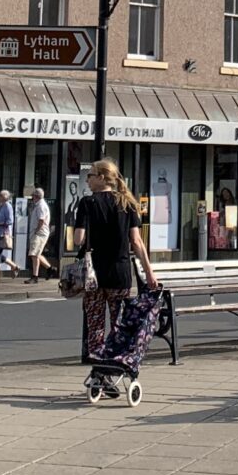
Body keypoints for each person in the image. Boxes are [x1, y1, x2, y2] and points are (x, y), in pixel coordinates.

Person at [75, 159, 160, 391]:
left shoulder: (87, 203)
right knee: (119, 326)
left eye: (91, 175)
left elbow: (78, 240)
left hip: (93, 276)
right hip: (120, 273)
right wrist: (149, 272)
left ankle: (99, 372)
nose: (88, 179)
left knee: (95, 326)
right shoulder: (127, 203)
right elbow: (136, 241)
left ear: (102, 177)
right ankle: (116, 368)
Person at [24, 187, 53, 282]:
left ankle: (35, 276)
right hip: (38, 232)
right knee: (36, 253)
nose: (32, 198)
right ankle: (50, 269)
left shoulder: (41, 206)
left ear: (36, 196)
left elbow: (41, 220)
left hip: (40, 233)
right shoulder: (38, 205)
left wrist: (37, 230)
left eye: (33, 196)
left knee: (34, 254)